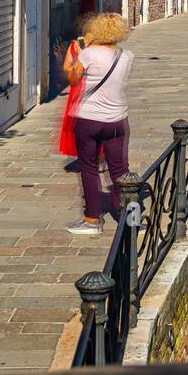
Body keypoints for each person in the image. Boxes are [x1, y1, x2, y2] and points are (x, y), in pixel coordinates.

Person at [60, 13, 135, 235]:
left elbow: (72, 79)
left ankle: (92, 219)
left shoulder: (89, 54)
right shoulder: (127, 55)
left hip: (89, 119)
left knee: (89, 168)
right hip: (118, 121)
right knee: (120, 170)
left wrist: (71, 56)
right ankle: (130, 218)